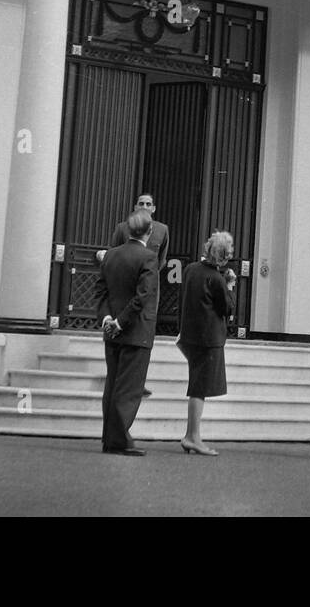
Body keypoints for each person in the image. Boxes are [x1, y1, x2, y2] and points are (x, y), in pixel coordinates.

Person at [96, 209, 158, 455]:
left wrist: (107, 319)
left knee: (112, 385)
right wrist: (121, 322)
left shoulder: (110, 255)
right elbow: (143, 296)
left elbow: (101, 292)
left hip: (111, 330)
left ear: (128, 230)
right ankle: (120, 439)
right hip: (136, 330)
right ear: (149, 231)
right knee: (129, 389)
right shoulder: (148, 257)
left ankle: (110, 438)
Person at [177, 230, 236, 456]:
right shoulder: (217, 279)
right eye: (228, 253)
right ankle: (192, 436)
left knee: (196, 385)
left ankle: (192, 435)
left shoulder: (191, 269)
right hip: (209, 338)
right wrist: (230, 284)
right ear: (222, 256)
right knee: (199, 389)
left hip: (190, 336)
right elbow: (227, 309)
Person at [109, 193, 168, 271]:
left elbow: (162, 258)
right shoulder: (122, 228)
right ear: (135, 207)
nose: (144, 207)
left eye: (148, 204)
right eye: (141, 204)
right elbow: (114, 253)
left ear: (153, 209)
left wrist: (152, 273)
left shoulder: (162, 229)